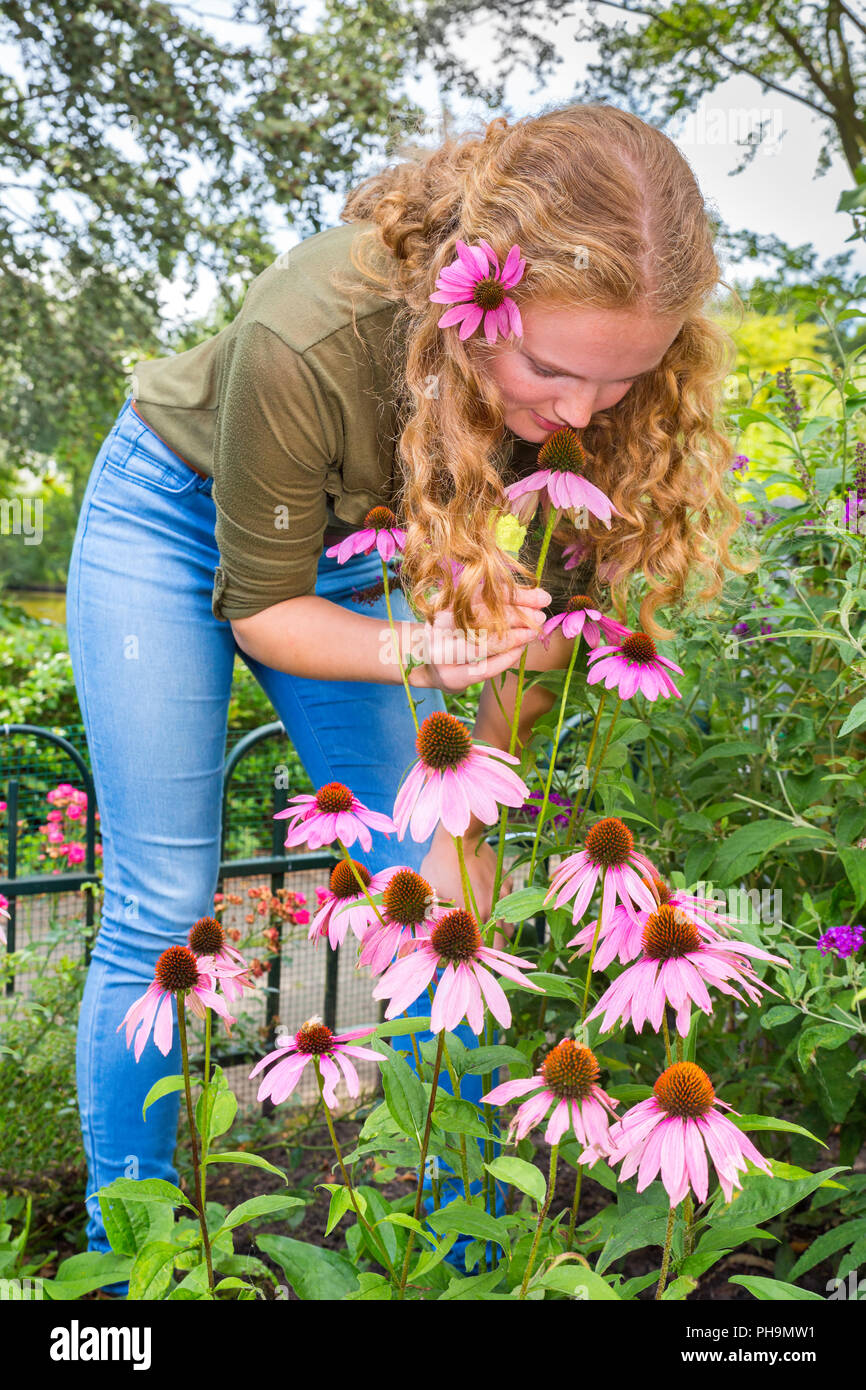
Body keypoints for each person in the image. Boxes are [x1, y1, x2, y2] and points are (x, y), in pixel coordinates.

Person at [66, 100, 743, 1280]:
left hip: (357, 541)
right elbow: (263, 604)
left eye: (620, 381)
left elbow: (523, 666)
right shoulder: (312, 330)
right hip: (170, 518)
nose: (581, 415)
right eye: (550, 370)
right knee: (164, 893)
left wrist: (465, 821)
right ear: (480, 295)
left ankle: (468, 1241)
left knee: (431, 893)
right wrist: (424, 645)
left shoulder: (587, 403)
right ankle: (125, 1267)